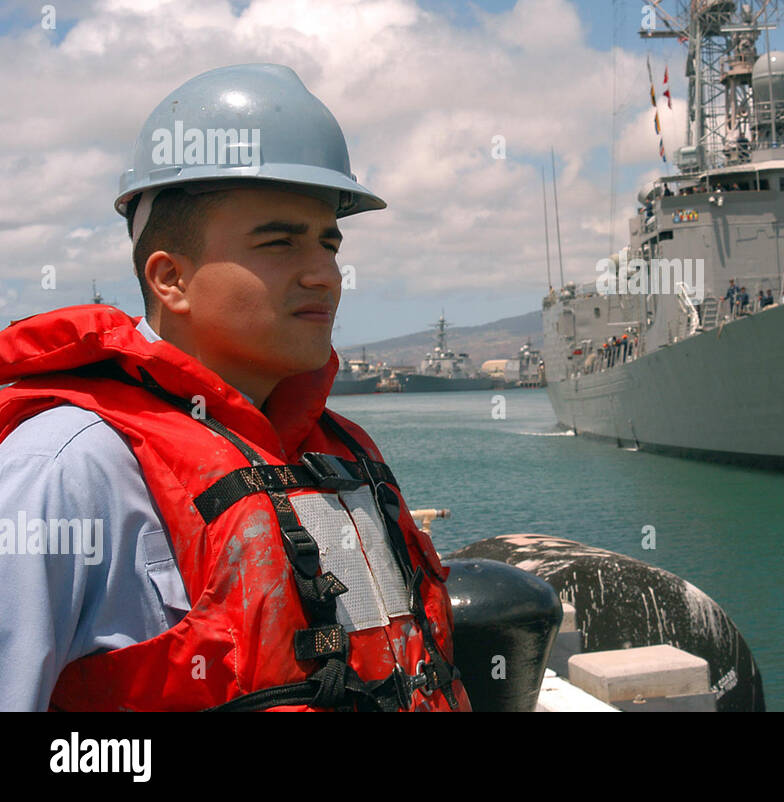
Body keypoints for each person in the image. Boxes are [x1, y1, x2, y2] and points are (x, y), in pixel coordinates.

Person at [0, 64, 467, 712]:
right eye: (279, 242)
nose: (325, 275)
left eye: (329, 243)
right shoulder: (64, 470)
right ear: (170, 280)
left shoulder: (338, 452)